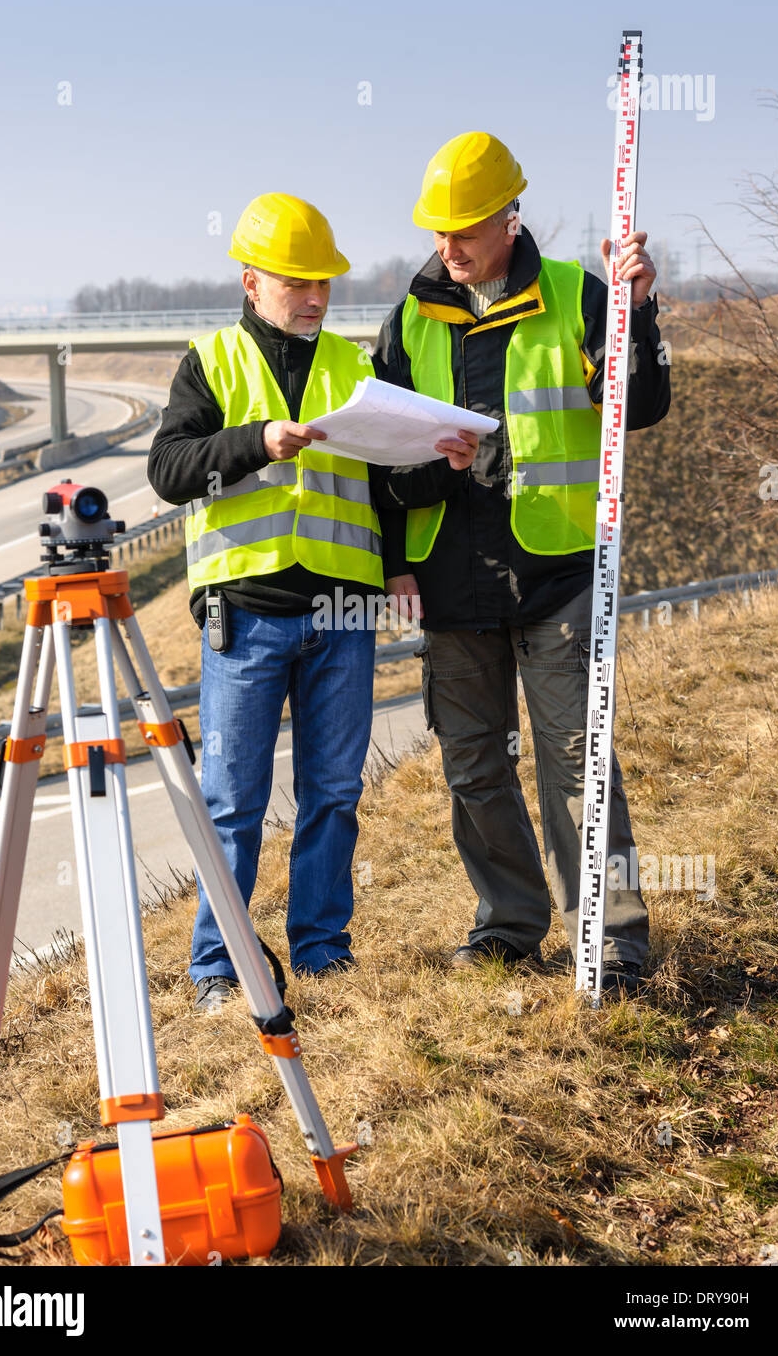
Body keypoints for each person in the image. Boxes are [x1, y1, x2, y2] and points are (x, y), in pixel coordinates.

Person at [147, 192, 475, 1010]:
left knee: (333, 793)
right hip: (247, 613)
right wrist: (257, 442)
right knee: (234, 803)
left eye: (324, 282)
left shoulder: (355, 370)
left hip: (345, 614)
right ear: (253, 280)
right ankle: (221, 971)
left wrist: (444, 462)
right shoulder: (211, 360)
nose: (316, 296)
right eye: (298, 281)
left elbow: (386, 485)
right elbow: (170, 471)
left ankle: (324, 952)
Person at [373, 132, 671, 995]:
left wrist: (636, 312)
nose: (447, 247)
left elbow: (639, 406)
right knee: (472, 763)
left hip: (559, 573)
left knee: (578, 757)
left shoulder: (580, 295)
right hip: (451, 583)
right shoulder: (410, 318)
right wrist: (396, 560)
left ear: (511, 216)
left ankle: (611, 939)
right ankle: (508, 924)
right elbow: (379, 459)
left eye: (464, 228)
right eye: (437, 231)